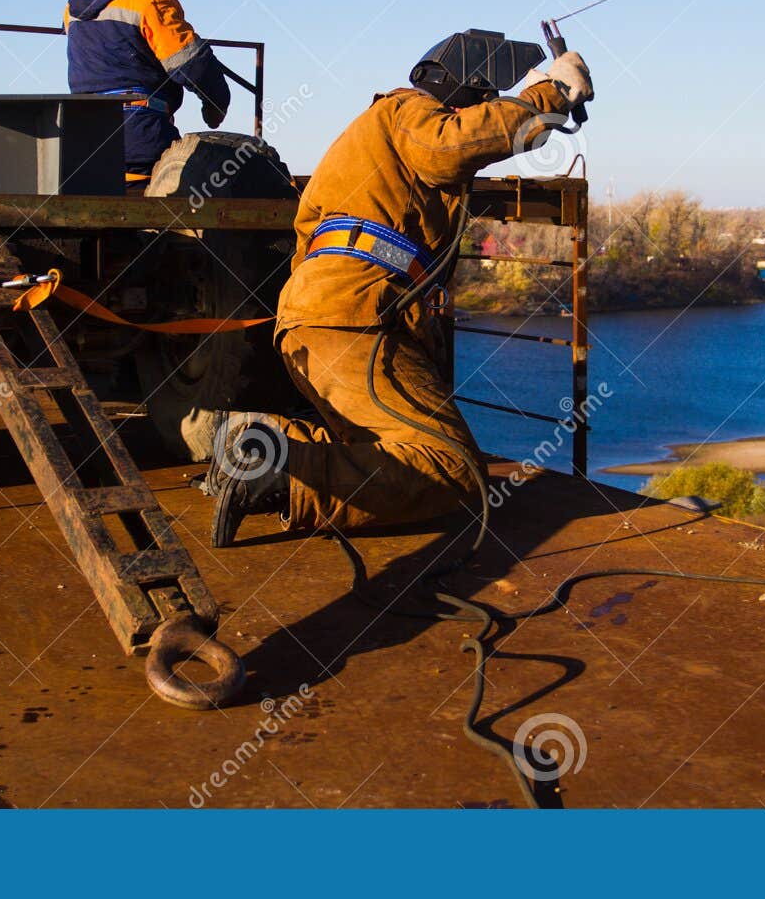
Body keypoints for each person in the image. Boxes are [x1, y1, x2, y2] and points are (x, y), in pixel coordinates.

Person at [207, 32, 593, 546]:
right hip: (350, 319)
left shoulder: (370, 143)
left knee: (378, 446)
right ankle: (272, 473)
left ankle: (258, 449)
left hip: (324, 316)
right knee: (452, 466)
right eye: (485, 103)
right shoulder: (408, 112)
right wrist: (546, 97)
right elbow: (449, 146)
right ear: (466, 94)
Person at [64, 0, 231, 178]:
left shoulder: (72, 8)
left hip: (83, 137)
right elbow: (192, 64)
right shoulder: (150, 1)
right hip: (139, 135)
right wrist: (217, 102)